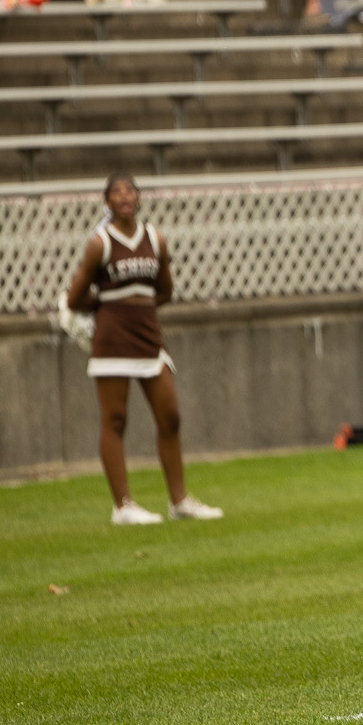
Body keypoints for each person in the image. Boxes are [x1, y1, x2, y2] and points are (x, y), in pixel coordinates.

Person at [63, 174, 224, 526]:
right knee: (115, 419)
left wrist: (139, 308)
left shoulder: (155, 238)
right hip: (112, 339)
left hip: (149, 336)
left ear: (139, 198)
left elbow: (165, 290)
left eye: (130, 190)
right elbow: (75, 297)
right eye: (117, 192)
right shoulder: (100, 243)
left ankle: (179, 501)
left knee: (171, 416)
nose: (125, 196)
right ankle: (123, 506)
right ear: (106, 202)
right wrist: (109, 307)